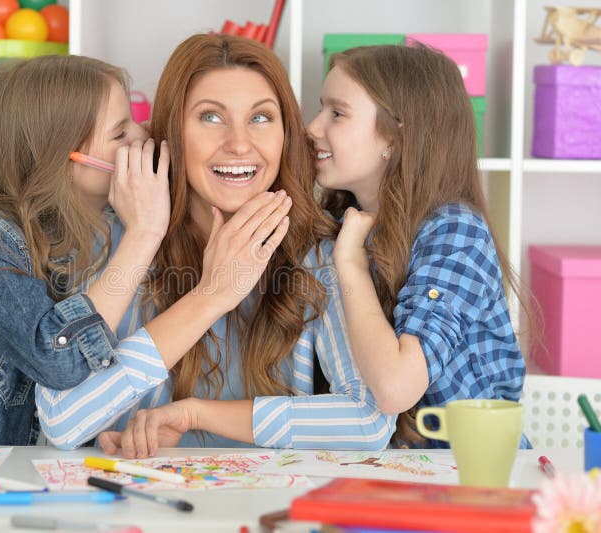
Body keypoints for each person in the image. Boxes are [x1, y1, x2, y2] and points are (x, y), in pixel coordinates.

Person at [36, 34, 395, 458]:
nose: (239, 144)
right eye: (210, 117)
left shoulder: (317, 254)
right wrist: (210, 296)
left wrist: (196, 414)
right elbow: (61, 420)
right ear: (172, 133)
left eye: (261, 117)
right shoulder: (110, 240)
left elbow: (369, 420)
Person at [0, 54, 172, 445]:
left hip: (68, 468)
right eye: (120, 134)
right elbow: (59, 360)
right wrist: (145, 233)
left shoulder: (107, 224)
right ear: (61, 161)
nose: (143, 136)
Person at [307, 44, 529, 447]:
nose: (313, 127)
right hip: (388, 467)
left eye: (337, 113)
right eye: (321, 109)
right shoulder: (345, 223)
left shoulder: (457, 233)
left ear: (394, 138)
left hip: (468, 468)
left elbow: (395, 387)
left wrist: (351, 264)